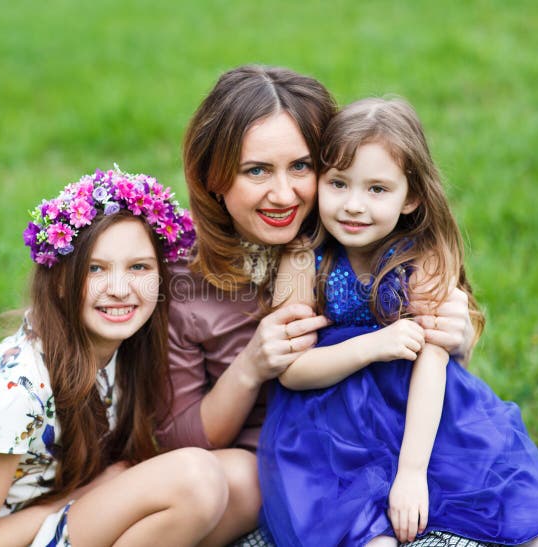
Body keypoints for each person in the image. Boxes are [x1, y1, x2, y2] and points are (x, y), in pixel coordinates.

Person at [155, 65, 481, 546]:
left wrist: (460, 334)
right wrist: (251, 367)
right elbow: (176, 447)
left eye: (302, 167)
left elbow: (424, 343)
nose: (284, 194)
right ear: (212, 177)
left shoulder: (357, 237)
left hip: (380, 447)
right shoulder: (178, 280)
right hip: (271, 473)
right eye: (256, 170)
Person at [257, 97, 538, 547]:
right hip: (332, 430)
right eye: (338, 183)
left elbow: (433, 361)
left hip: (431, 416)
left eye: (377, 189)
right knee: (363, 532)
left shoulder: (423, 255)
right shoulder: (303, 258)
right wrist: (376, 345)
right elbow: (292, 373)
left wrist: (412, 472)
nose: (354, 205)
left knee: (536, 518)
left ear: (411, 196)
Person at [0, 168, 231, 546]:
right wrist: (82, 496)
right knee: (196, 480)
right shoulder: (15, 390)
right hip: (16, 535)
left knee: (243, 477)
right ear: (58, 280)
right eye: (95, 269)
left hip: (75, 518)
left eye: (139, 267)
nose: (120, 289)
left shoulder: (129, 347)